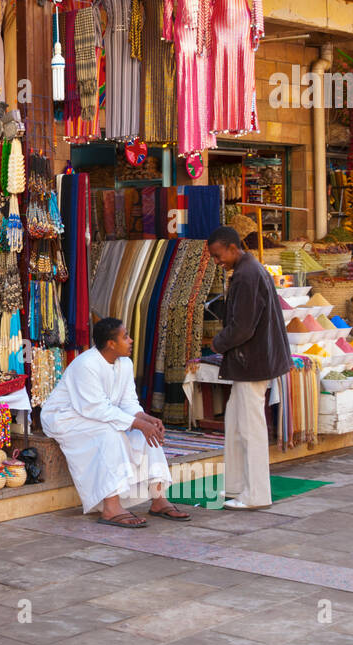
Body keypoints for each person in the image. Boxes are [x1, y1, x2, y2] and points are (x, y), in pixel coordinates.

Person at [41, 317, 189, 528]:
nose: (130, 340)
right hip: (65, 417)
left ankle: (159, 499)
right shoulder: (86, 364)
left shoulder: (125, 364)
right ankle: (111, 507)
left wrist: (147, 420)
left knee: (148, 433)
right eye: (125, 336)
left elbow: (128, 402)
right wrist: (138, 423)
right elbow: (95, 408)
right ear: (111, 343)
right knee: (109, 433)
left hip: (98, 414)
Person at [206, 225, 293, 510]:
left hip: (251, 360)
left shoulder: (246, 275)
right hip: (253, 359)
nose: (218, 262)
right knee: (236, 422)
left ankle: (255, 494)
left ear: (232, 248)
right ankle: (237, 486)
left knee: (250, 427)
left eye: (218, 256)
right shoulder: (250, 270)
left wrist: (217, 343)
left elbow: (242, 328)